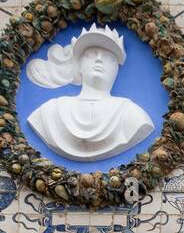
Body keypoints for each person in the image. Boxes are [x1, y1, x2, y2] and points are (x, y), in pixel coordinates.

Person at [25, 24, 154, 161]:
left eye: (108, 57)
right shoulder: (50, 112)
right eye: (90, 54)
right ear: (79, 65)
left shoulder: (133, 115)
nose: (98, 59)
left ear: (116, 69)